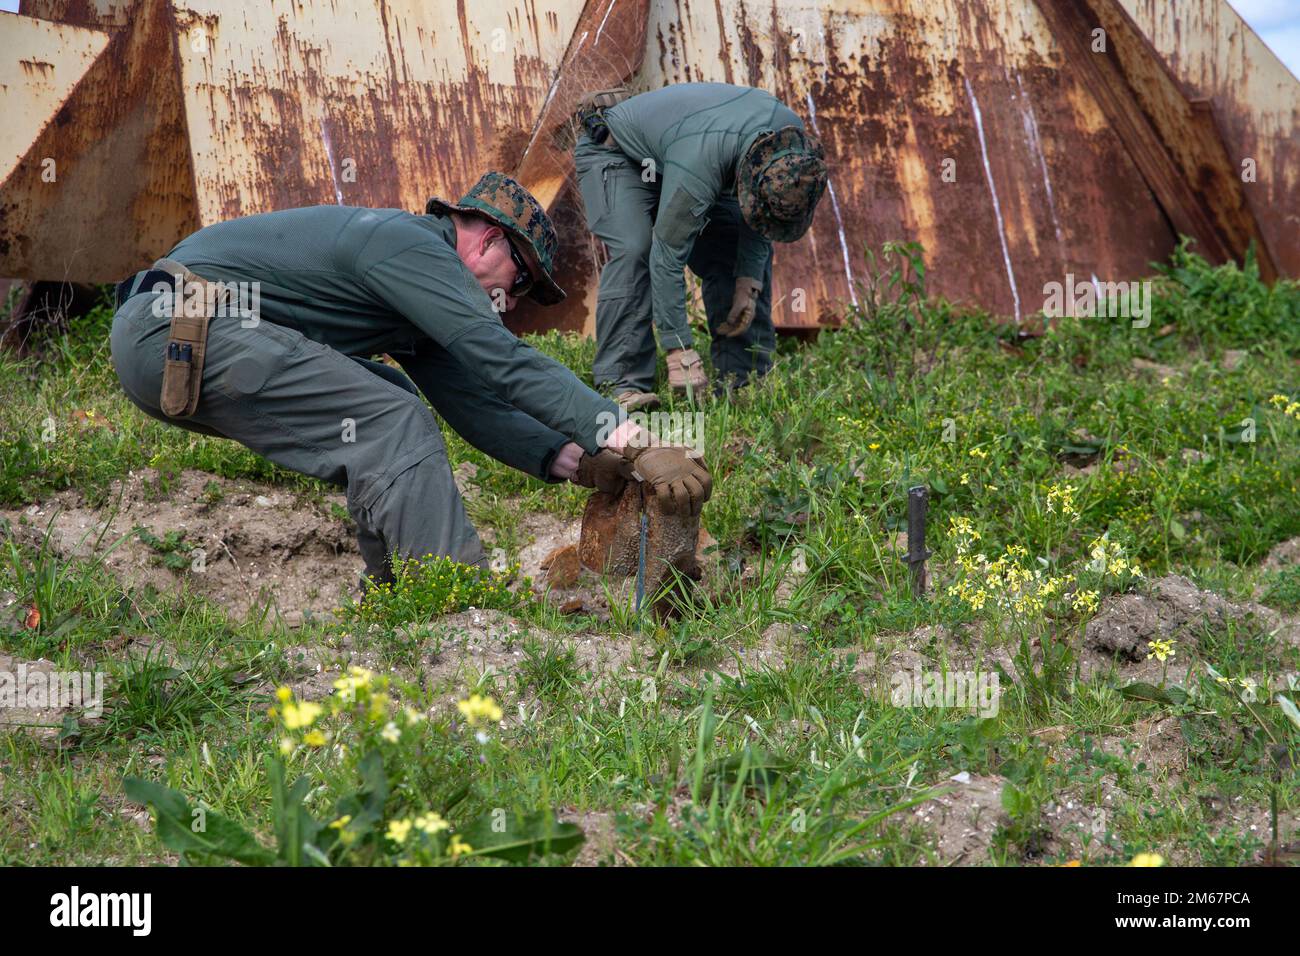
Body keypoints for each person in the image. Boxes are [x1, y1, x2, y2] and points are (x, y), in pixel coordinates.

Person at [109, 172, 711, 585]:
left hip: (184, 343)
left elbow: (477, 401)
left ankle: (398, 594)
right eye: (519, 278)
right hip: (178, 329)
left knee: (392, 399)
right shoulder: (410, 247)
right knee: (391, 421)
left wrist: (578, 459)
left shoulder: (414, 299)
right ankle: (457, 605)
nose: (513, 297)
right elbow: (504, 360)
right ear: (488, 240)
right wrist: (635, 439)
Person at [573, 83, 828, 408]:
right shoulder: (703, 162)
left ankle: (744, 382)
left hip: (682, 153)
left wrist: (748, 282)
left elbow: (761, 216)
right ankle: (623, 386)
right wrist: (678, 347)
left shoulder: (792, 147)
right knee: (635, 248)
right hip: (618, 153)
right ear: (751, 175)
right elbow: (666, 254)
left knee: (732, 249)